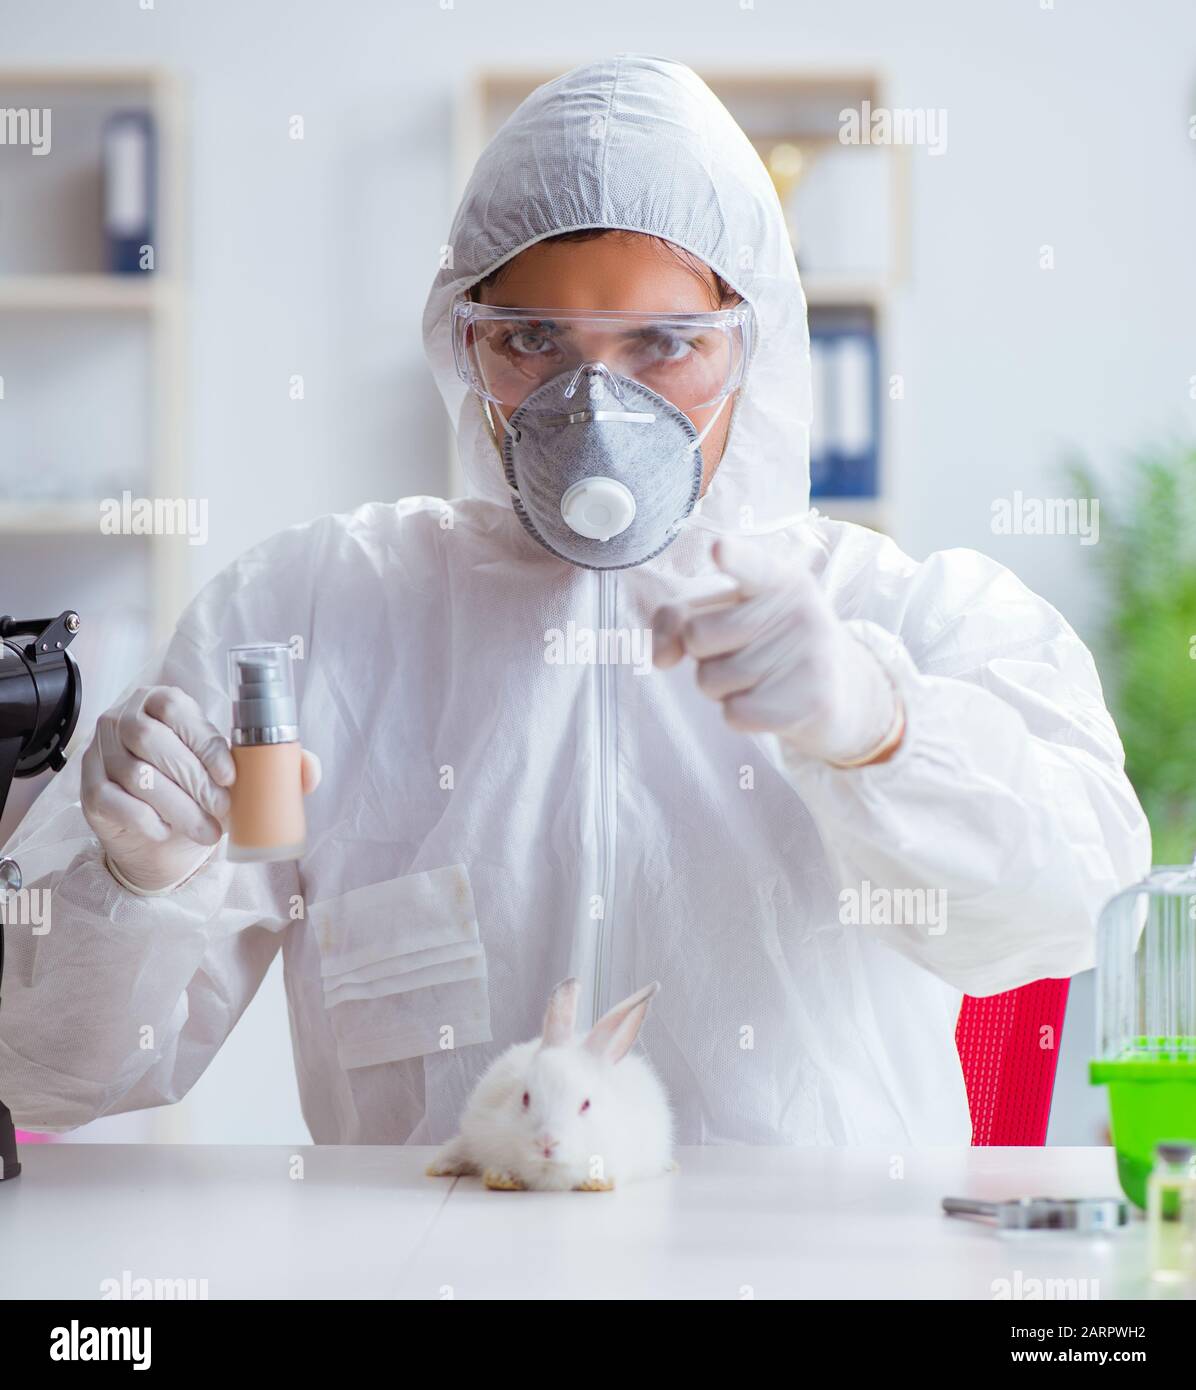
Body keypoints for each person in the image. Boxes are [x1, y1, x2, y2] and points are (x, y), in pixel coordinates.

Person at [0, 56, 1149, 1148]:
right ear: (464, 342)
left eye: (663, 344)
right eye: (533, 340)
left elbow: (1072, 917)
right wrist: (134, 885)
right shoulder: (309, 614)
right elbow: (49, 1072)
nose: (594, 406)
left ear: (753, 346)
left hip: (818, 1273)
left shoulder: (907, 616)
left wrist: (878, 728)